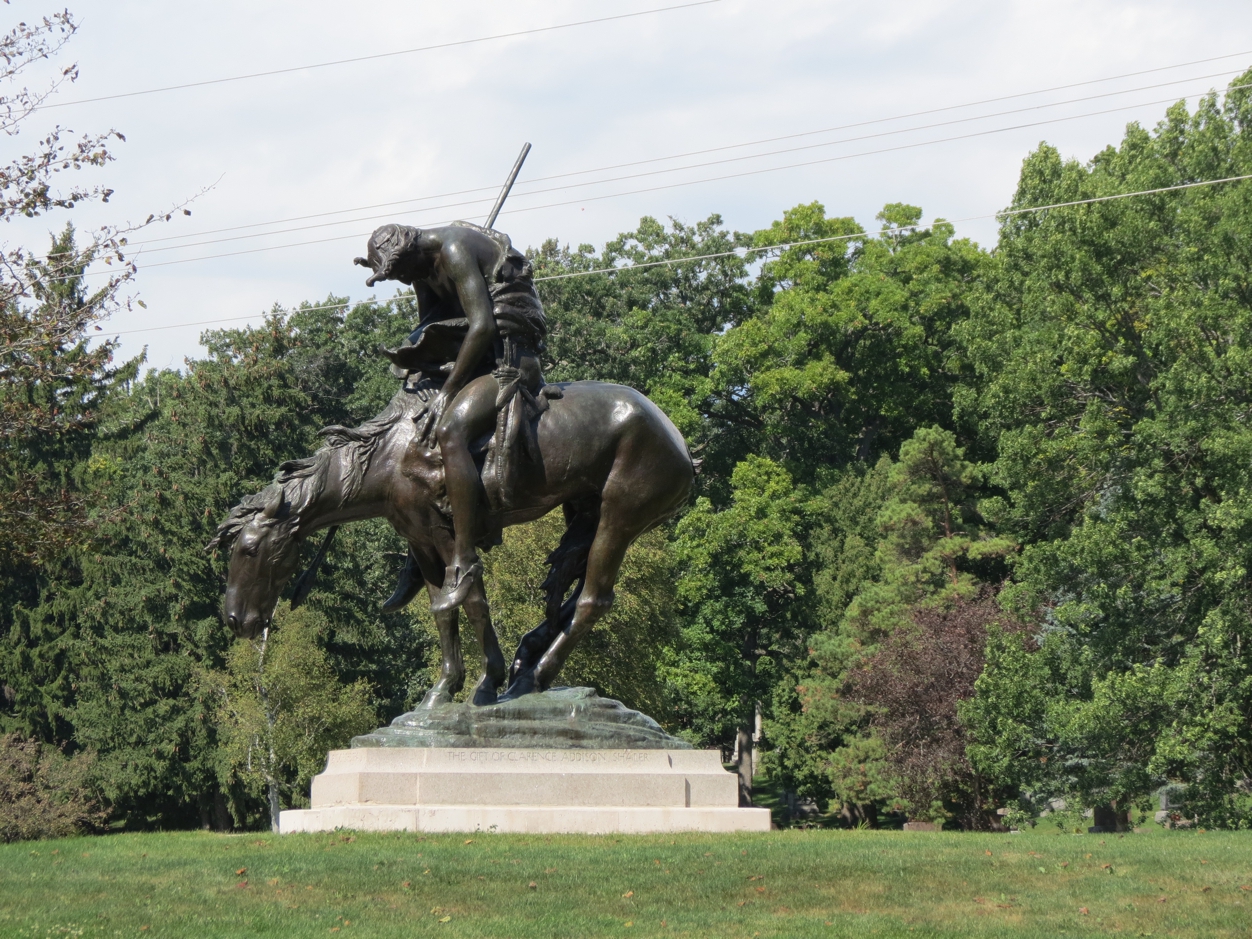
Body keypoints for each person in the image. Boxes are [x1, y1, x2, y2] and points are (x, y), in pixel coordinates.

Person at [354, 221, 546, 613]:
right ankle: (418, 554)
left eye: (397, 272)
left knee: (450, 427)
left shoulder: (454, 250)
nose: (401, 281)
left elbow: (483, 325)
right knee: (410, 431)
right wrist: (411, 359)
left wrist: (445, 394)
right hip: (472, 359)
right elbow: (432, 329)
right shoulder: (421, 268)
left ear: (408, 254)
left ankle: (465, 558)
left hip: (507, 359)